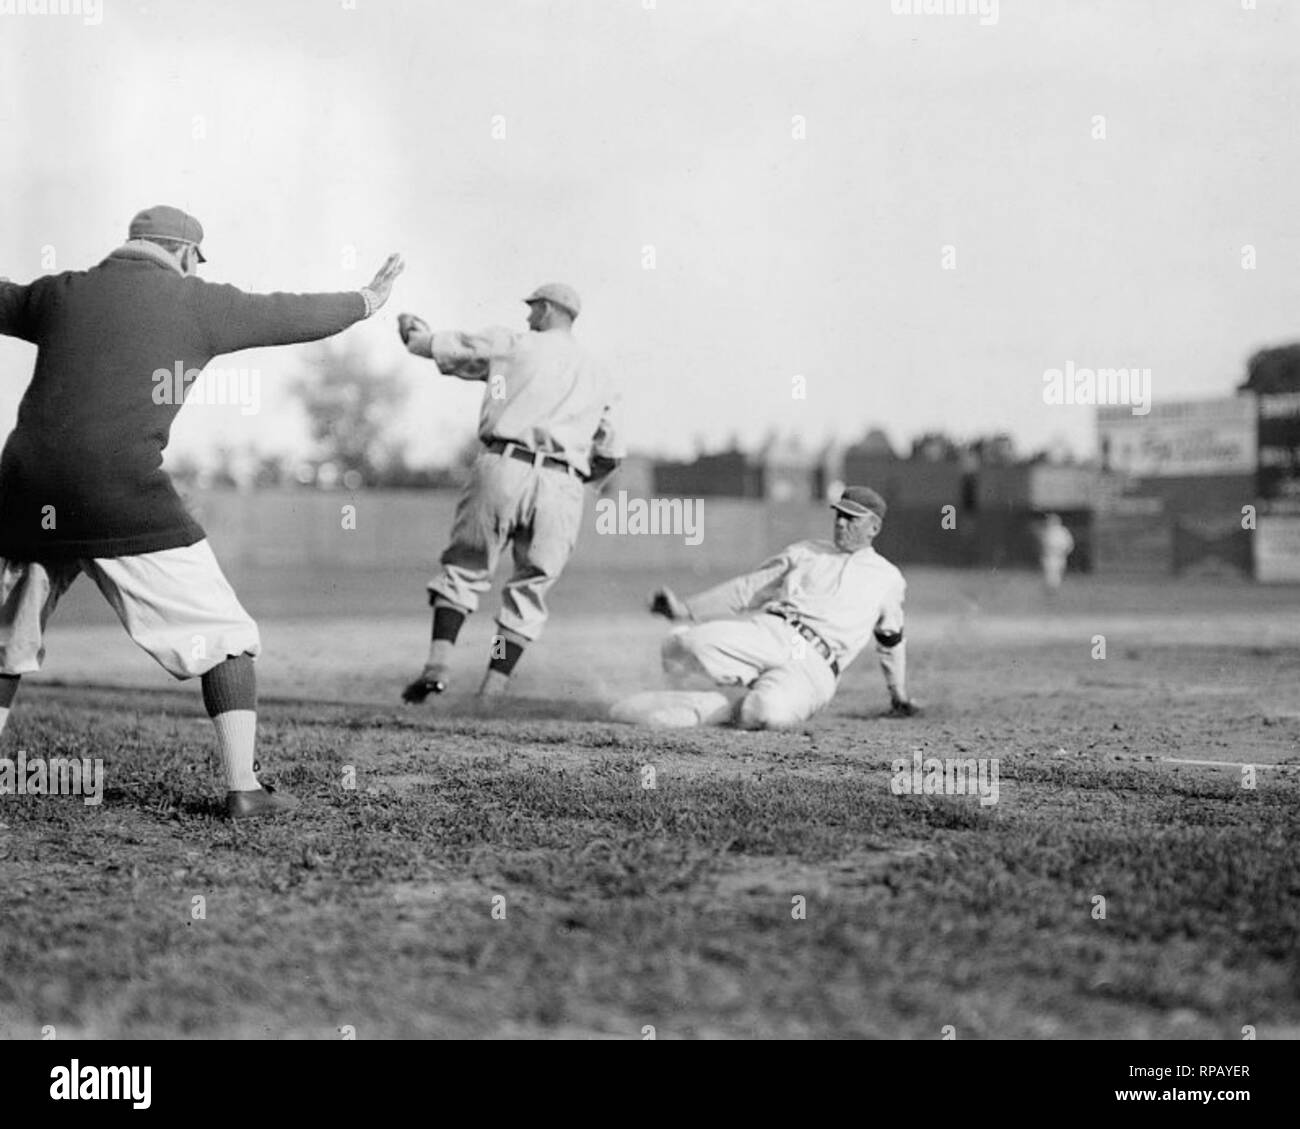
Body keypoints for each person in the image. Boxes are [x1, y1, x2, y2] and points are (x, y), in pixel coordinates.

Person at [0, 204, 404, 818]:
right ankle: (245, 788)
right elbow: (289, 313)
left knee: (6, 641)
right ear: (185, 254)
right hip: (119, 491)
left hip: (26, 491)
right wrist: (366, 299)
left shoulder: (59, 294)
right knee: (227, 640)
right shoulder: (198, 301)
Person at [396, 283, 622, 700]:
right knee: (529, 587)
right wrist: (576, 483)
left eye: (533, 307)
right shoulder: (599, 373)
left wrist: (415, 336)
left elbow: (451, 348)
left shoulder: (515, 343)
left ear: (550, 309)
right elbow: (610, 451)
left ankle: (437, 666)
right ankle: (490, 691)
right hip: (563, 481)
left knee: (467, 567)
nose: (528, 315)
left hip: (505, 464)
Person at [611, 486, 916, 730]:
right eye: (838, 515)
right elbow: (747, 589)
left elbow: (891, 640)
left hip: (815, 666)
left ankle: (716, 705)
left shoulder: (888, 577)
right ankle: (702, 680)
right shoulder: (806, 551)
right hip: (773, 631)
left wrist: (899, 695)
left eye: (851, 518)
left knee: (764, 712)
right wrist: (682, 609)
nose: (840, 522)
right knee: (685, 645)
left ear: (874, 527)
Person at [1036, 513, 1075, 592]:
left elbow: (1069, 544)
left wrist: (1065, 551)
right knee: (1050, 571)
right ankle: (1051, 588)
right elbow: (1043, 544)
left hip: (1059, 554)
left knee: (1056, 571)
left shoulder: (1063, 532)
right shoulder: (1047, 531)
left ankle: (1053, 588)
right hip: (1049, 554)